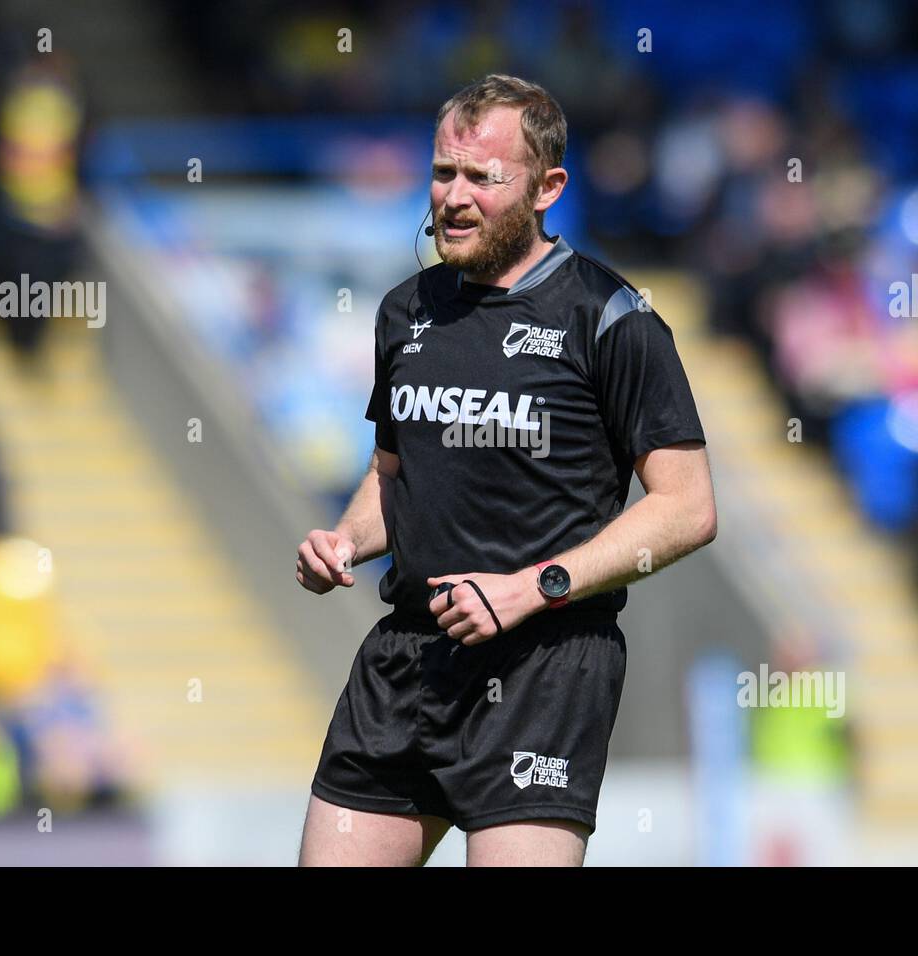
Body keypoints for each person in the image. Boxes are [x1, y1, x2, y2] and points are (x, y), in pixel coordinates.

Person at [296, 74, 716, 866]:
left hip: (544, 672)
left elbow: (688, 509)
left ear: (548, 187)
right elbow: (392, 475)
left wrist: (532, 588)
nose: (453, 197)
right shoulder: (405, 311)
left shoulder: (612, 318)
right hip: (407, 662)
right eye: (443, 172)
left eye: (482, 178)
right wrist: (344, 543)